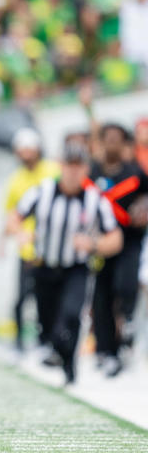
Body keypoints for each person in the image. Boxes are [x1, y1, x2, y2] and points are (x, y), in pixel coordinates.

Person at [8, 142, 122, 384]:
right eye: (69, 165)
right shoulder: (42, 192)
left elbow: (115, 238)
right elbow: (14, 217)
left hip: (76, 268)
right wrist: (20, 232)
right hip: (44, 265)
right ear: (61, 166)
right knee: (47, 321)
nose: (73, 171)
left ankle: (69, 364)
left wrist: (93, 244)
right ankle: (58, 352)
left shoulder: (95, 200)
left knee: (71, 314)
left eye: (78, 165)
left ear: (86, 169)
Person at [87, 123, 148, 376]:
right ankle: (106, 350)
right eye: (108, 138)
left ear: (125, 144)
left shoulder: (135, 173)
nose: (112, 143)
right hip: (101, 245)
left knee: (125, 286)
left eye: (117, 139)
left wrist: (143, 207)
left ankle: (128, 328)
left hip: (129, 242)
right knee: (101, 297)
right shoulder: (91, 173)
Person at [0, 128, 59, 352]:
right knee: (23, 296)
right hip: (27, 249)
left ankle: (48, 340)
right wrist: (11, 237)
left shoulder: (53, 170)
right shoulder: (15, 179)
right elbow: (10, 215)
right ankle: (18, 340)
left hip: (53, 247)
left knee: (49, 297)